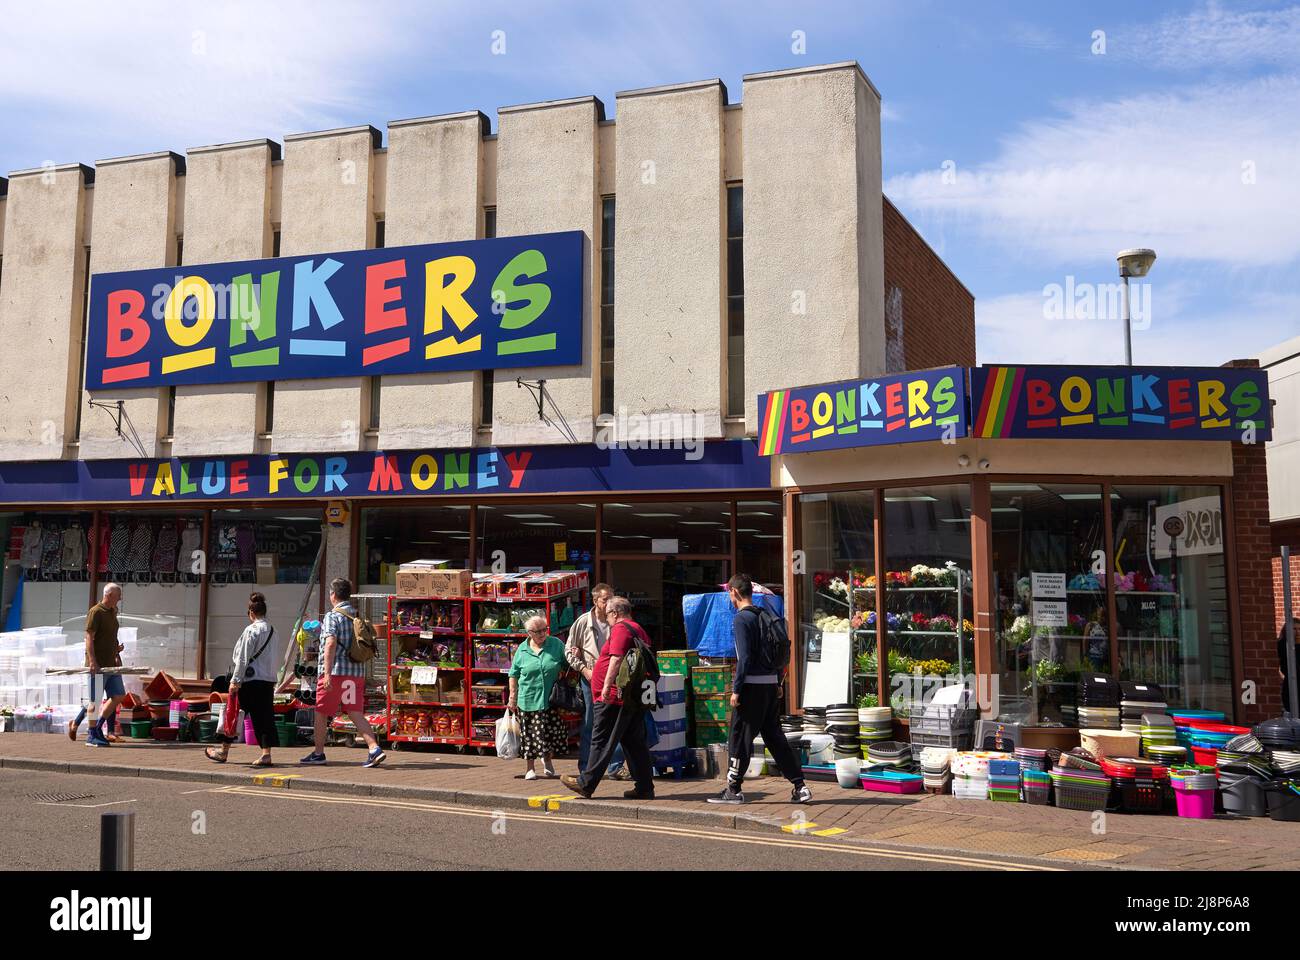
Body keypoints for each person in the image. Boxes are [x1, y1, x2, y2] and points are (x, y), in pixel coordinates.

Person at [708, 574, 811, 805]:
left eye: (729, 593)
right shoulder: (765, 615)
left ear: (734, 593)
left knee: (739, 738)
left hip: (751, 688)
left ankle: (733, 789)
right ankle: (800, 786)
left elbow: (743, 658)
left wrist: (736, 689)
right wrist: (777, 682)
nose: (729, 598)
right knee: (775, 738)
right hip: (769, 687)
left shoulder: (742, 619)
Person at [561, 596, 656, 800]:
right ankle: (644, 787)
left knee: (601, 740)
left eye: (608, 615)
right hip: (631, 697)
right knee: (634, 743)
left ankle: (585, 784)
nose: (607, 619)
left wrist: (605, 687)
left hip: (615, 696)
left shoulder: (621, 629)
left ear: (615, 613)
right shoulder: (638, 628)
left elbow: (616, 658)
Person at [300, 578, 386, 768]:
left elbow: (330, 643)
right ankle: (374, 748)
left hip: (335, 673)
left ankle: (318, 753)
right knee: (355, 712)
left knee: (321, 713)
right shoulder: (357, 614)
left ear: (333, 594)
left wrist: (328, 674)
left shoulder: (333, 616)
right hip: (355, 673)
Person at [206, 592, 279, 767]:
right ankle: (266, 754)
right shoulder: (273, 631)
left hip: (249, 681)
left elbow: (243, 658)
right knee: (264, 717)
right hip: (267, 680)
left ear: (251, 613)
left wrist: (235, 681)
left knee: (233, 713)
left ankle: (223, 750)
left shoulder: (251, 630)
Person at [566, 582, 626, 776]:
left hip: (615, 677)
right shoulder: (583, 622)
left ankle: (614, 767)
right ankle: (586, 766)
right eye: (604, 599)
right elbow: (568, 651)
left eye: (611, 598)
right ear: (595, 600)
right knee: (591, 721)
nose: (609, 602)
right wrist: (584, 670)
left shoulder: (617, 622)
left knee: (615, 721)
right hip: (590, 678)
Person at [508, 615, 568, 780]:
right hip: (528, 698)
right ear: (529, 633)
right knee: (529, 736)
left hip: (551, 699)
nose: (543, 634)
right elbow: (513, 673)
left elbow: (566, 663)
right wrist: (512, 696)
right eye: (538, 631)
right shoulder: (522, 649)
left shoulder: (556, 644)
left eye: (544, 630)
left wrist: (564, 670)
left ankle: (547, 761)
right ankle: (530, 768)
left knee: (548, 734)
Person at [68, 583, 126, 747]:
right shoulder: (96, 612)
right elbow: (89, 638)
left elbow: (110, 635)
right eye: (118, 595)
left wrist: (116, 649)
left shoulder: (113, 612)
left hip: (111, 664)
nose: (120, 598)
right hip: (98, 665)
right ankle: (92, 735)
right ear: (108, 595)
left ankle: (98, 726)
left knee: (118, 696)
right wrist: (93, 661)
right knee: (94, 700)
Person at [1280, 616, 1300, 713]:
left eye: (1299, 629)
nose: (1297, 632)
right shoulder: (1283, 645)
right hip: (1290, 684)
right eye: (1294, 629)